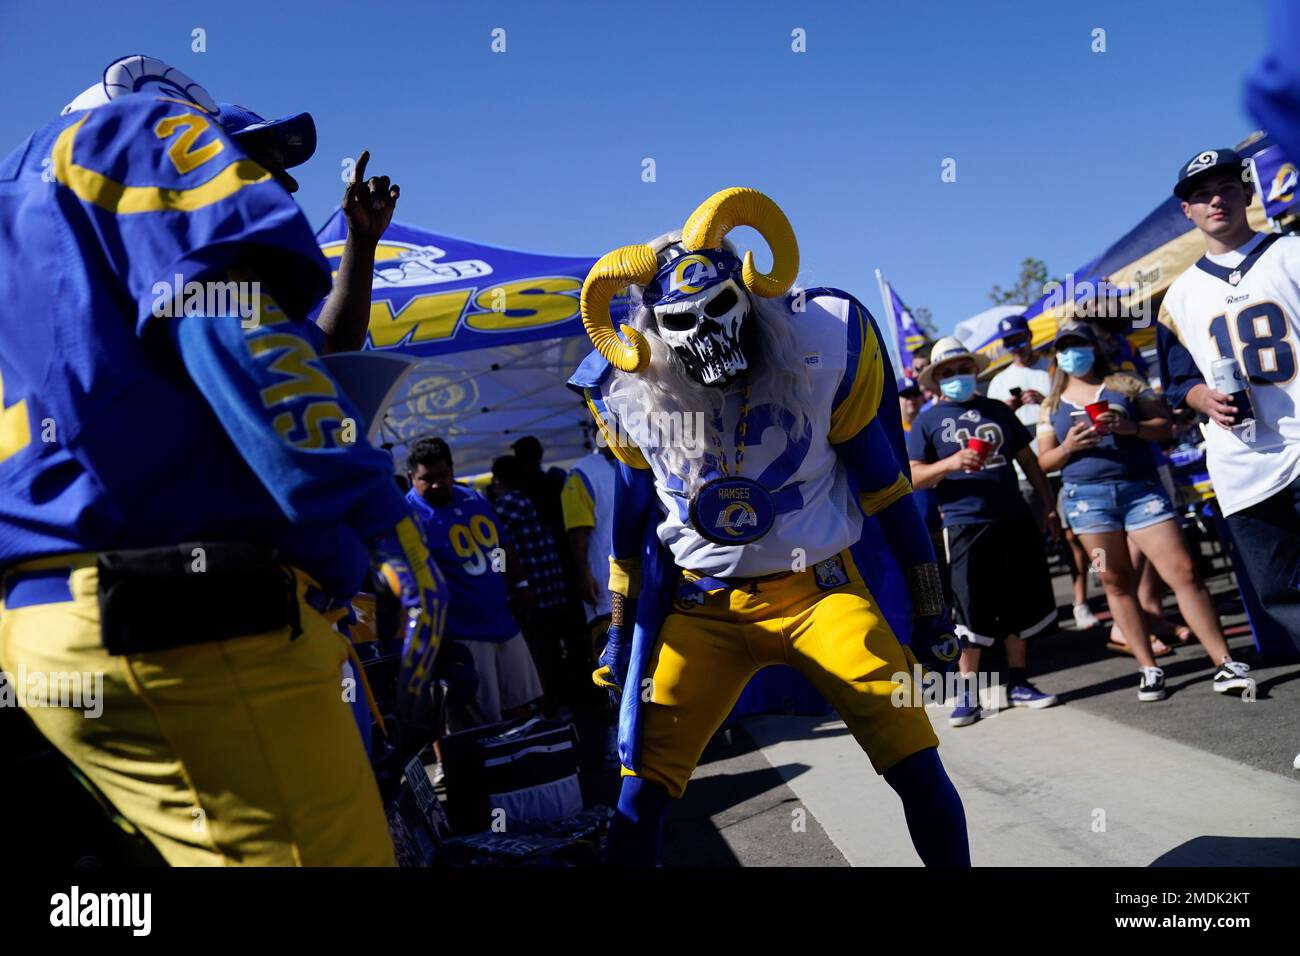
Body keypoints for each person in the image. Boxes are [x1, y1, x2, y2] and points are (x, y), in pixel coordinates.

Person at [0, 56, 446, 865]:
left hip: (56, 622)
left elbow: (316, 345)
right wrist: (382, 520)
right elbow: (227, 317)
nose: (275, 188)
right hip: (189, 620)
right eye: (255, 162)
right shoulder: (133, 130)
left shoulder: (30, 217)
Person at [569, 187, 968, 866]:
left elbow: (887, 491)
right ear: (654, 329)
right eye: (681, 322)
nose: (706, 334)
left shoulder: (820, 343)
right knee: (640, 796)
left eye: (719, 309)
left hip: (820, 595)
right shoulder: (627, 386)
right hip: (704, 608)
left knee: (914, 760)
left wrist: (933, 607)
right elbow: (633, 524)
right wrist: (617, 632)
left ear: (750, 296)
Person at [1037, 323, 1253, 700]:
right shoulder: (1051, 404)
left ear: (1094, 346)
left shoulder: (1127, 383)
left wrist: (1129, 426)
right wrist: (1069, 445)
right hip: (1088, 504)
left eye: (1080, 344)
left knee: (1183, 572)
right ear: (1057, 356)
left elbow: (1164, 426)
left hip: (1141, 493)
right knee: (1113, 581)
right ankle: (1148, 667)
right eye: (1065, 347)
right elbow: (1043, 461)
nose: (1074, 353)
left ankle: (1224, 661)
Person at [1157, 146, 1300, 662]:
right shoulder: (1177, 297)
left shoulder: (1292, 253)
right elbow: (1178, 383)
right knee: (1285, 599)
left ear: (1246, 192)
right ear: (1187, 211)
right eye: (1201, 194)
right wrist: (1204, 398)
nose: (1215, 200)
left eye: (1225, 188)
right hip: (1244, 464)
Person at [908, 337, 1062, 727]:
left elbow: (1029, 462)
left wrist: (1049, 507)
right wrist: (951, 463)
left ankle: (1020, 682)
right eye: (947, 372)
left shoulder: (996, 410)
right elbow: (912, 476)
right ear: (936, 380)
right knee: (969, 608)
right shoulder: (927, 419)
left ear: (974, 370)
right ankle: (968, 693)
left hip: (1012, 517)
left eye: (962, 369)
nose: (957, 377)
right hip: (964, 523)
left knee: (1016, 605)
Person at [212, 105, 399, 354]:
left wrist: (362, 241)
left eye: (282, 165)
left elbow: (337, 351)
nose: (292, 183)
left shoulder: (254, 300)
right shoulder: (179, 298)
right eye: (266, 164)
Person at [406, 438, 543, 730]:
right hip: (461, 632)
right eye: (426, 478)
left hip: (502, 619)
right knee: (480, 718)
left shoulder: (473, 499)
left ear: (452, 470)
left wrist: (517, 585)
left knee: (522, 705)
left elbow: (500, 547)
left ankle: (525, 768)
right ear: (411, 478)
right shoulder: (408, 517)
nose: (436, 484)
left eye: (442, 475)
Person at [986, 315, 1101, 631]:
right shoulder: (998, 382)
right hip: (1026, 473)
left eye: (1019, 340)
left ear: (1030, 336)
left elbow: (1069, 404)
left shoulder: (1054, 370)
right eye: (1009, 343)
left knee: (1074, 538)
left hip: (1062, 464)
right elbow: (995, 431)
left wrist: (1044, 401)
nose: (1016, 348)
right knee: (1030, 544)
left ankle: (1081, 602)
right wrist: (1007, 410)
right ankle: (1042, 611)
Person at [490, 453, 571, 715]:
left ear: (498, 479)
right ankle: (561, 703)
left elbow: (494, 545)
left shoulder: (507, 504)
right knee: (553, 651)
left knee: (539, 653)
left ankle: (548, 708)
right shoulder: (535, 495)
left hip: (532, 591)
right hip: (553, 586)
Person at [561, 444, 619, 766]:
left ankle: (656, 732)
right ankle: (617, 733)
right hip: (606, 590)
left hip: (646, 586)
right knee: (611, 662)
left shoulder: (643, 458)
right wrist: (583, 573)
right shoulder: (581, 473)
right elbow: (577, 531)